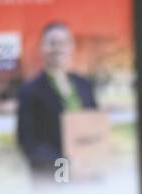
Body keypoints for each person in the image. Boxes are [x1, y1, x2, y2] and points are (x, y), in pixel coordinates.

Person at [16, 22, 98, 173]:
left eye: (64, 43)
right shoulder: (30, 90)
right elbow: (28, 143)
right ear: (42, 48)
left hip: (89, 174)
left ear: (72, 47)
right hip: (52, 178)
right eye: (52, 43)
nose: (58, 48)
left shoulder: (85, 85)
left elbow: (95, 128)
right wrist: (65, 165)